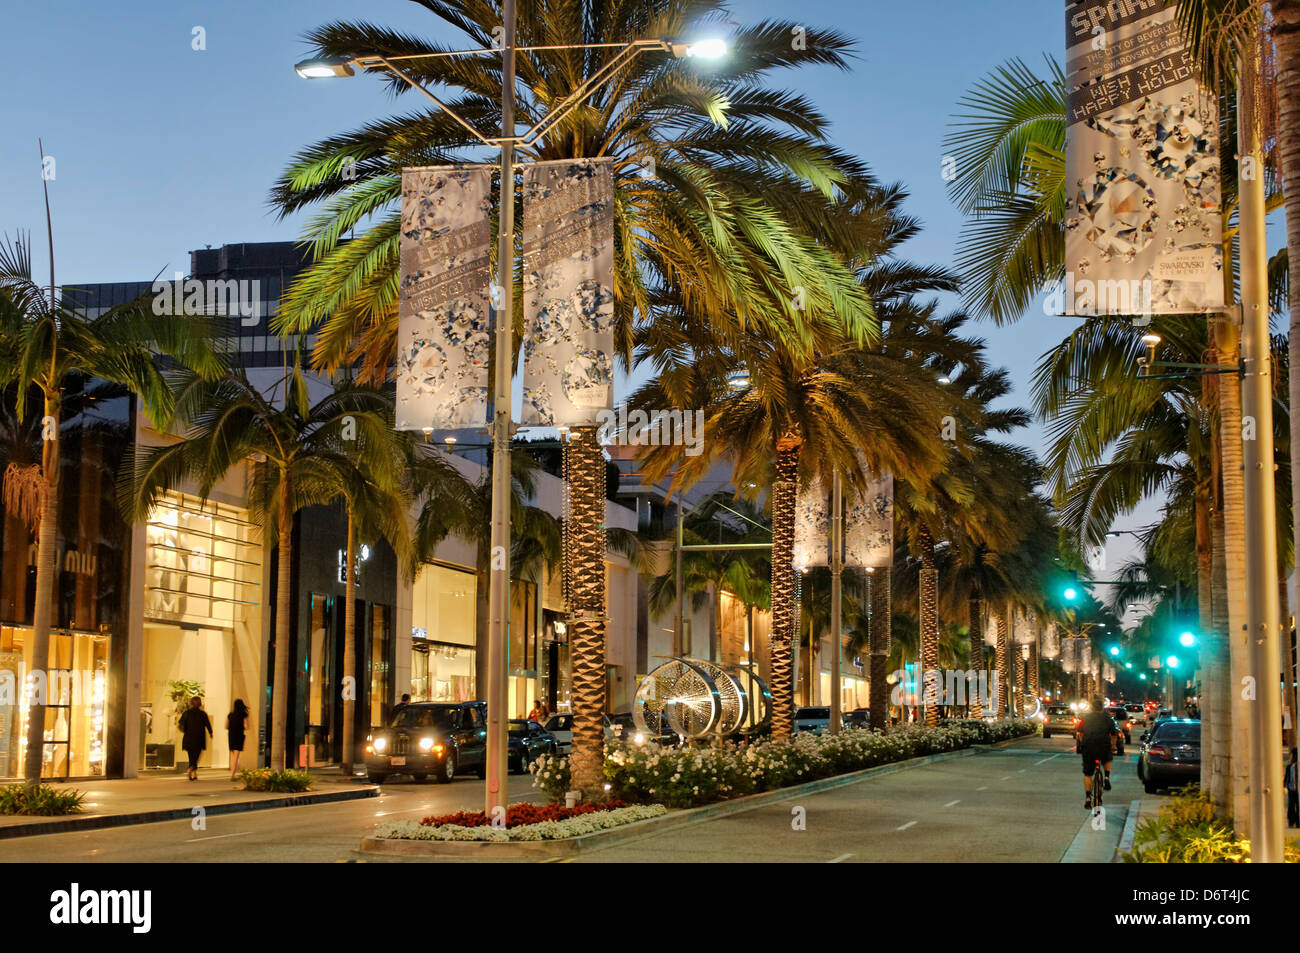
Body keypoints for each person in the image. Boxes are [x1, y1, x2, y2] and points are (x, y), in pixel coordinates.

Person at [1077, 696, 1117, 810]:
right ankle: (1107, 778)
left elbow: (1080, 734)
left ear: (1091, 708)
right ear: (1102, 708)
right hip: (1103, 745)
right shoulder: (1108, 719)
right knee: (1107, 758)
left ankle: (1088, 798)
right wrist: (1113, 746)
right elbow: (1113, 735)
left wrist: (1083, 743)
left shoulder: (1085, 718)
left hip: (1089, 747)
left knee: (1088, 774)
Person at [178, 696, 213, 782]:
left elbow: (180, 723)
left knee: (191, 755)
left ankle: (193, 773)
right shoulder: (203, 714)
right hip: (199, 737)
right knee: (196, 755)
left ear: (191, 703)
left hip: (189, 737)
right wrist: (211, 733)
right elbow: (207, 724)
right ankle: (191, 769)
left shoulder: (186, 713)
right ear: (200, 703)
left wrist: (184, 731)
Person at [226, 699, 249, 780]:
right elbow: (246, 726)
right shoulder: (244, 715)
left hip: (231, 735)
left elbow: (226, 726)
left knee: (233, 756)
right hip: (239, 735)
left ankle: (234, 772)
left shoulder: (230, 715)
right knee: (236, 757)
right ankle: (232, 774)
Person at [1286, 748, 1299, 828]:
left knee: (1298, 806)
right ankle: (1291, 821)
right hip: (1291, 789)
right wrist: (1285, 785)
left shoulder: (1298, 766)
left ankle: (1298, 822)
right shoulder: (1289, 766)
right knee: (1291, 805)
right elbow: (1287, 777)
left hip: (1297, 789)